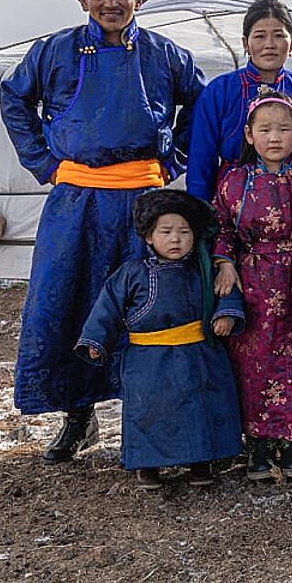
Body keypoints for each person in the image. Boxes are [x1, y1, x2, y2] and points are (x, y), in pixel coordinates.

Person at [0, 0, 205, 464]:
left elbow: (201, 105)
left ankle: (151, 418)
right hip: (76, 200)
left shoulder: (165, 54)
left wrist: (173, 156)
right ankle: (78, 416)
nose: (111, 2)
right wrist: (43, 163)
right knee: (70, 301)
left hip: (143, 199)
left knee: (149, 302)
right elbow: (13, 98)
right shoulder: (54, 51)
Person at [74, 189, 243, 489]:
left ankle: (200, 462)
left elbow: (226, 292)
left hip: (197, 355)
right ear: (149, 237)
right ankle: (147, 465)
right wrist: (95, 340)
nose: (175, 239)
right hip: (148, 362)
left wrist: (226, 315)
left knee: (198, 409)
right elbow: (108, 307)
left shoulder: (203, 270)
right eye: (166, 232)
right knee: (148, 411)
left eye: (184, 231)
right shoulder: (132, 273)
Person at [211, 90, 292, 480]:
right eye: (264, 129)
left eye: (283, 129)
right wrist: (225, 263)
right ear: (249, 135)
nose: (274, 137)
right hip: (251, 282)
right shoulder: (234, 180)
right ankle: (258, 445)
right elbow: (221, 227)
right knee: (253, 361)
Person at [185, 0, 292, 201]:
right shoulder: (220, 91)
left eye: (279, 35)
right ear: (246, 44)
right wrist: (199, 218)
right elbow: (201, 161)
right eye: (260, 36)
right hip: (231, 205)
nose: (270, 44)